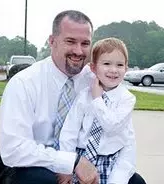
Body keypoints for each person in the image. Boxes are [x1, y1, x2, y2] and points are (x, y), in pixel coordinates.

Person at [0, 10, 146, 184]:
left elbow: (124, 134)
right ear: (52, 41)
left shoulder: (96, 79)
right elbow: (14, 150)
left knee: (135, 182)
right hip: (26, 164)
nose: (78, 51)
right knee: (46, 181)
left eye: (85, 43)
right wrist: (70, 162)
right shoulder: (24, 83)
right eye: (70, 41)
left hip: (85, 159)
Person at [59, 38, 146, 184]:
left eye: (119, 65)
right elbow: (69, 131)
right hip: (81, 160)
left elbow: (111, 126)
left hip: (110, 162)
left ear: (126, 68)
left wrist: (97, 99)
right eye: (106, 64)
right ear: (93, 68)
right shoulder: (84, 96)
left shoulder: (126, 99)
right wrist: (66, 166)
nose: (113, 70)